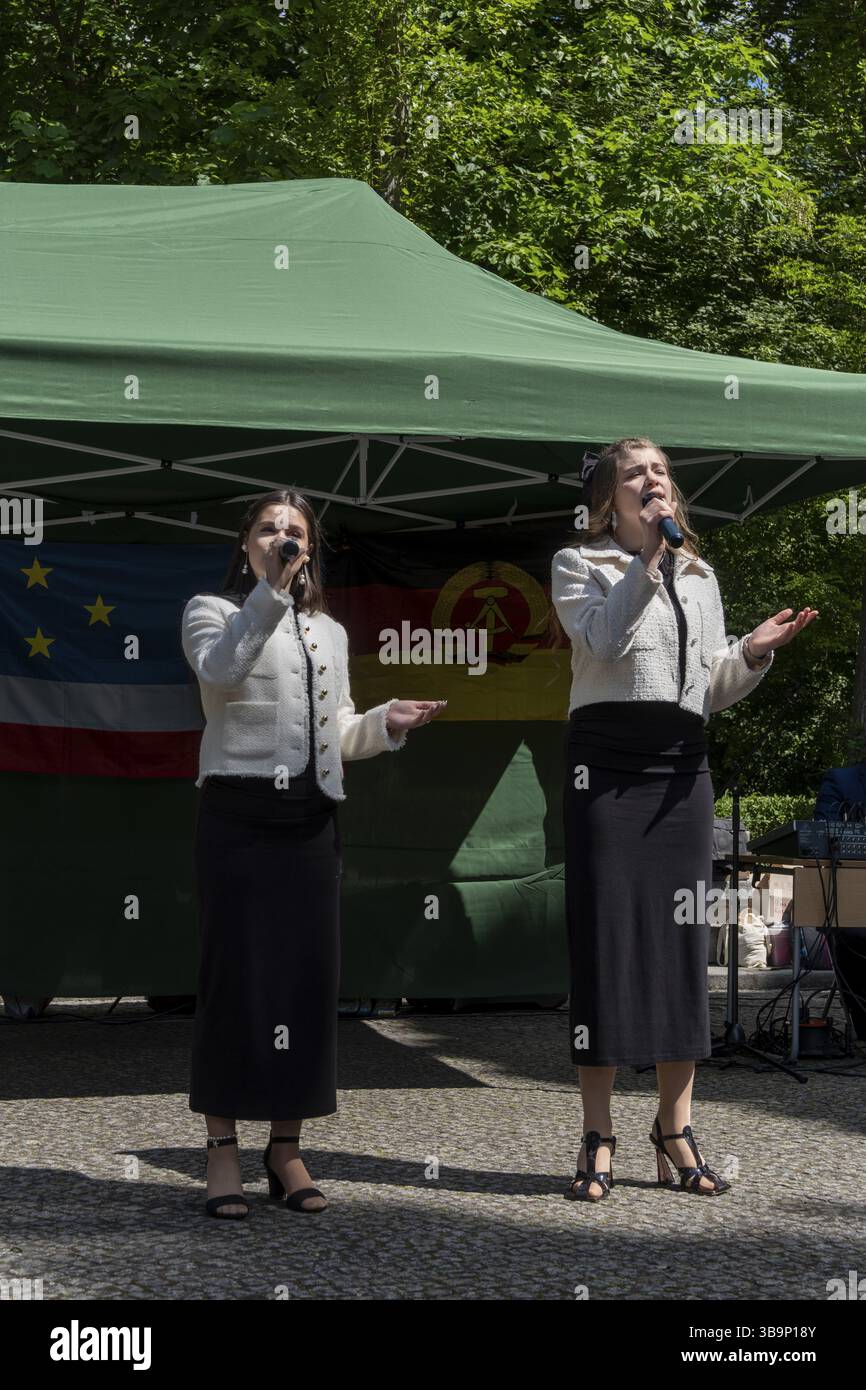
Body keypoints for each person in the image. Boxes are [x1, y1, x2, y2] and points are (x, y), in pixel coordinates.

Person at [551, 437, 817, 1201]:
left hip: (680, 769)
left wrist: (753, 655)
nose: (653, 481)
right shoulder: (580, 564)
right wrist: (647, 565)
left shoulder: (701, 575)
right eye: (636, 474)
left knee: (679, 947)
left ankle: (674, 1126)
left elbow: (708, 686)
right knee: (606, 944)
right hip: (604, 765)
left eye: (661, 472)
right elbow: (604, 638)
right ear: (609, 496)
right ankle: (597, 1133)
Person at [181, 489, 445, 1218]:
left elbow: (336, 729)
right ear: (245, 544)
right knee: (236, 980)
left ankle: (287, 1148)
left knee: (303, 981)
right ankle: (222, 1151)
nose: (284, 539)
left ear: (313, 551)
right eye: (269, 529)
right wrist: (268, 592)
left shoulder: (326, 632)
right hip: (237, 815)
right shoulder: (211, 611)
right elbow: (224, 673)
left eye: (296, 532)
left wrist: (383, 723)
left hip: (309, 821)